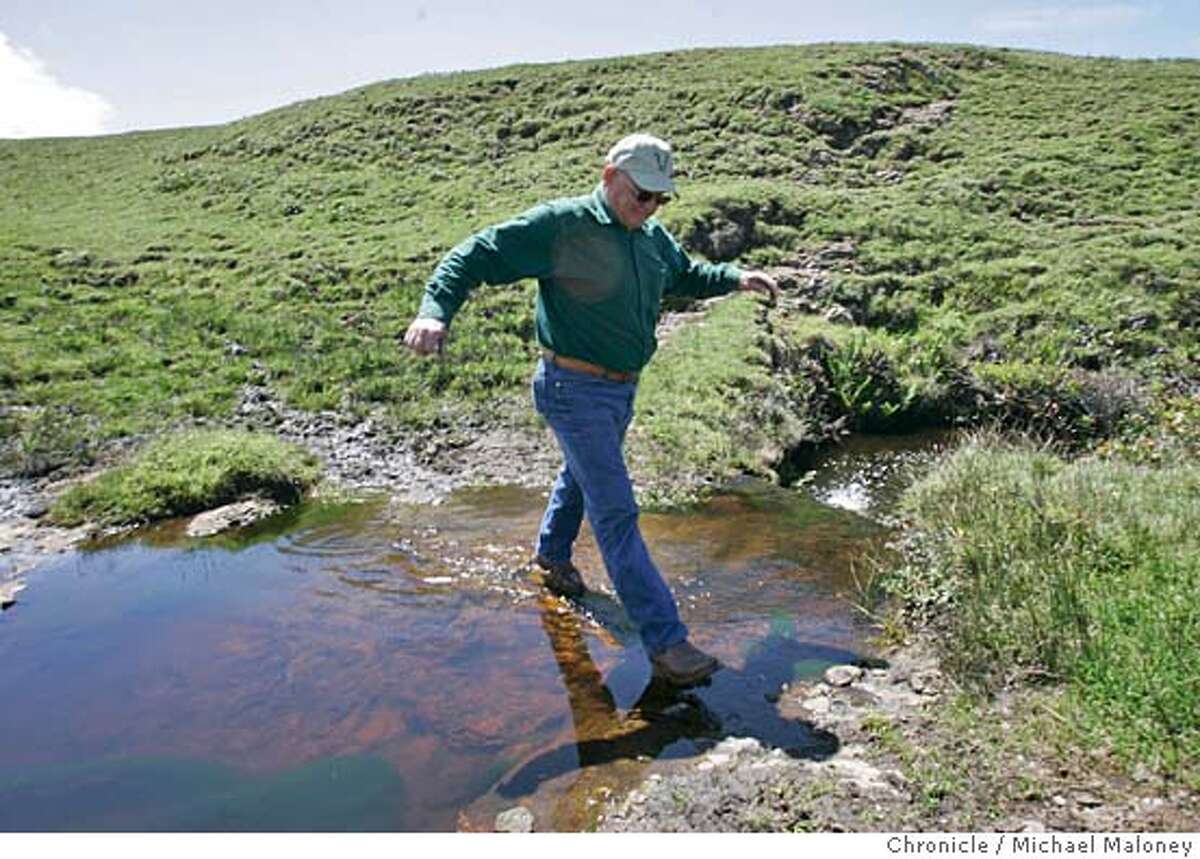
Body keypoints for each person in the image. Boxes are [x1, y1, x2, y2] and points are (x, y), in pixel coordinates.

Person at [404, 133, 778, 686]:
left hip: (619, 391)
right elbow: (474, 254)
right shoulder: (563, 225)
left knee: (579, 477)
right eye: (639, 195)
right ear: (608, 177)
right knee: (616, 512)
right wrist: (435, 312)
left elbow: (683, 274)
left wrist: (735, 278)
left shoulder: (649, 236)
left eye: (659, 199)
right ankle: (667, 645)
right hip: (571, 389)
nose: (648, 207)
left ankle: (552, 560)